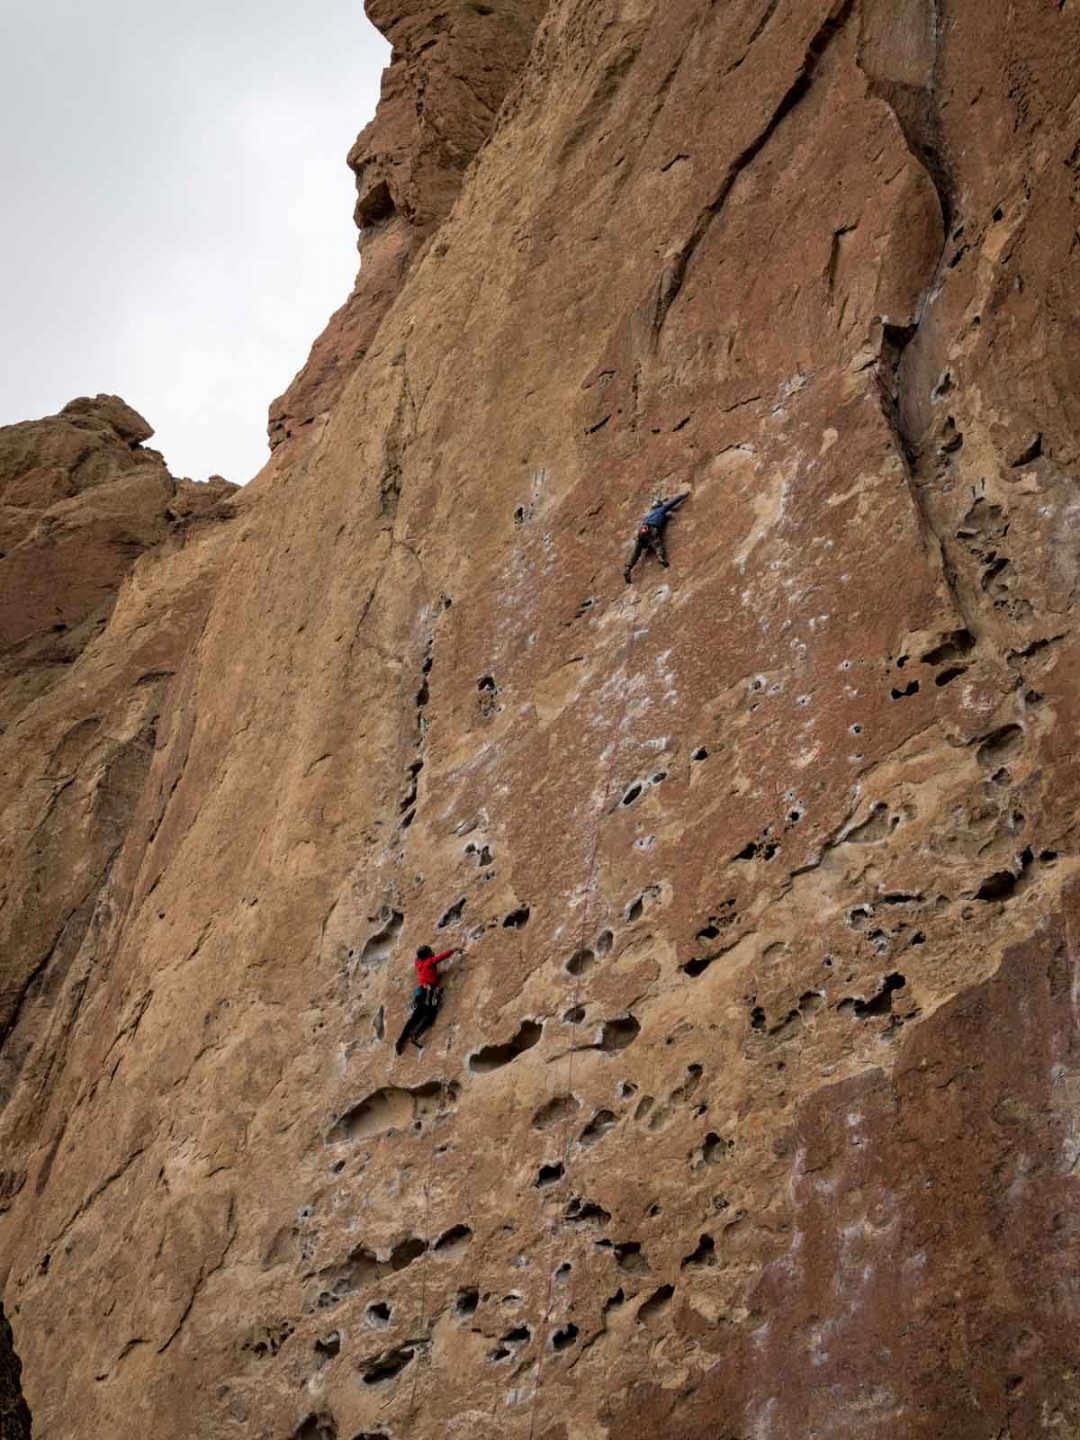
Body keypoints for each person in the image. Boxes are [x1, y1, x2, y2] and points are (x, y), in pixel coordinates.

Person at [394, 944, 460, 1054]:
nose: (432, 952)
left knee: (414, 1018)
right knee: (430, 1015)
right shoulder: (430, 961)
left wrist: (420, 957)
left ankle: (400, 1041)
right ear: (428, 955)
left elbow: (416, 959)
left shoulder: (419, 964)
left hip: (420, 993)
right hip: (430, 991)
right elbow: (442, 957)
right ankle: (415, 1035)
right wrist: (454, 949)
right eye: (430, 951)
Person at [624, 492, 690, 581]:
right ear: (659, 505)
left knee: (636, 553)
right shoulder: (662, 509)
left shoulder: (648, 515)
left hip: (642, 531)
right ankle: (661, 558)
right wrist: (683, 495)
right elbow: (673, 502)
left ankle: (628, 568)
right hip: (651, 530)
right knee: (657, 544)